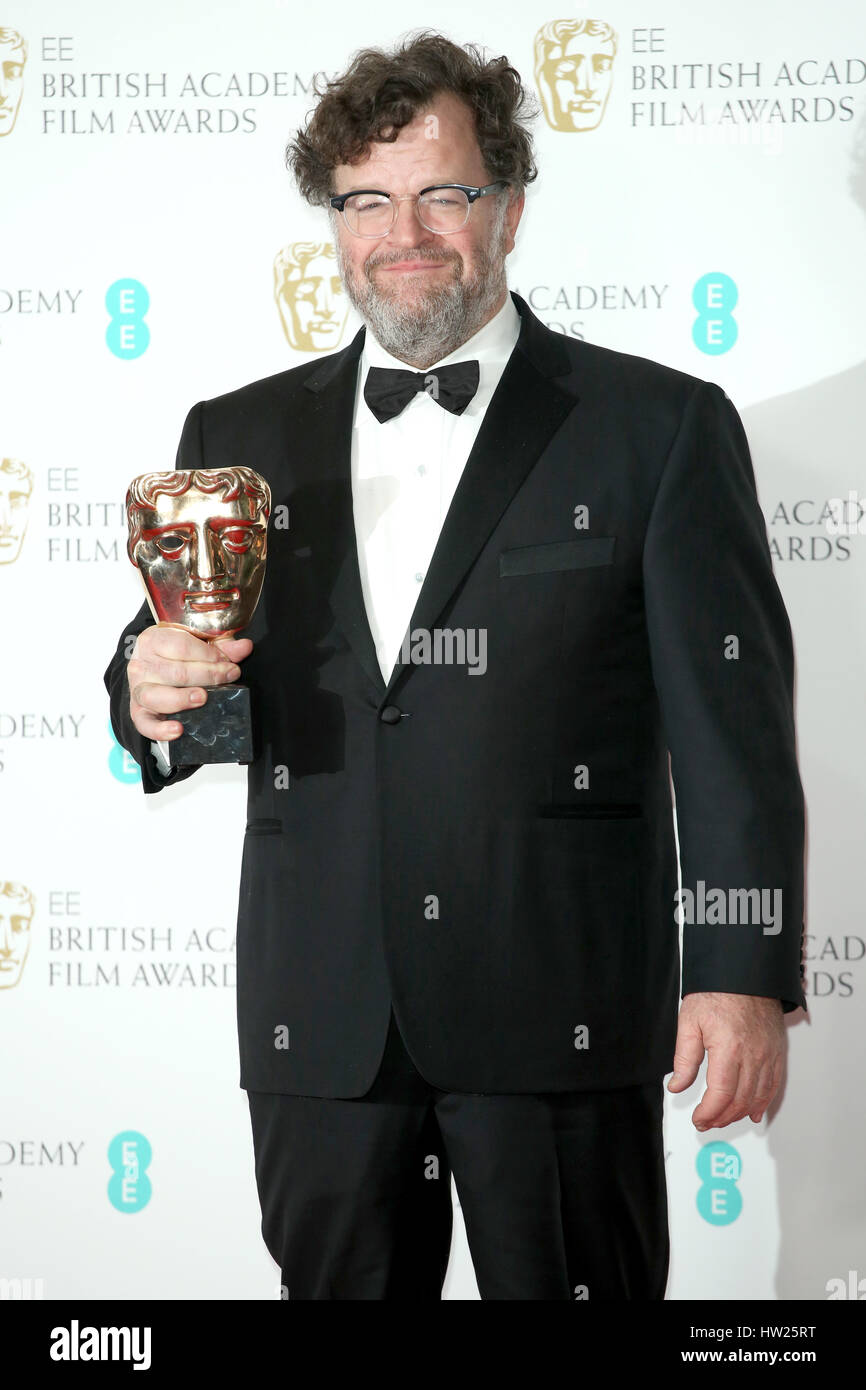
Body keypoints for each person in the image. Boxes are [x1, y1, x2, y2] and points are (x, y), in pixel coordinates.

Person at [104, 30, 806, 1301]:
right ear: (333, 220)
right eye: (366, 199)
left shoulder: (655, 429)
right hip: (321, 1018)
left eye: (444, 192)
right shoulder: (237, 435)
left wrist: (740, 974)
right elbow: (198, 672)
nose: (404, 231)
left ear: (511, 207)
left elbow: (731, 730)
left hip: (560, 1009)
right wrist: (152, 698)